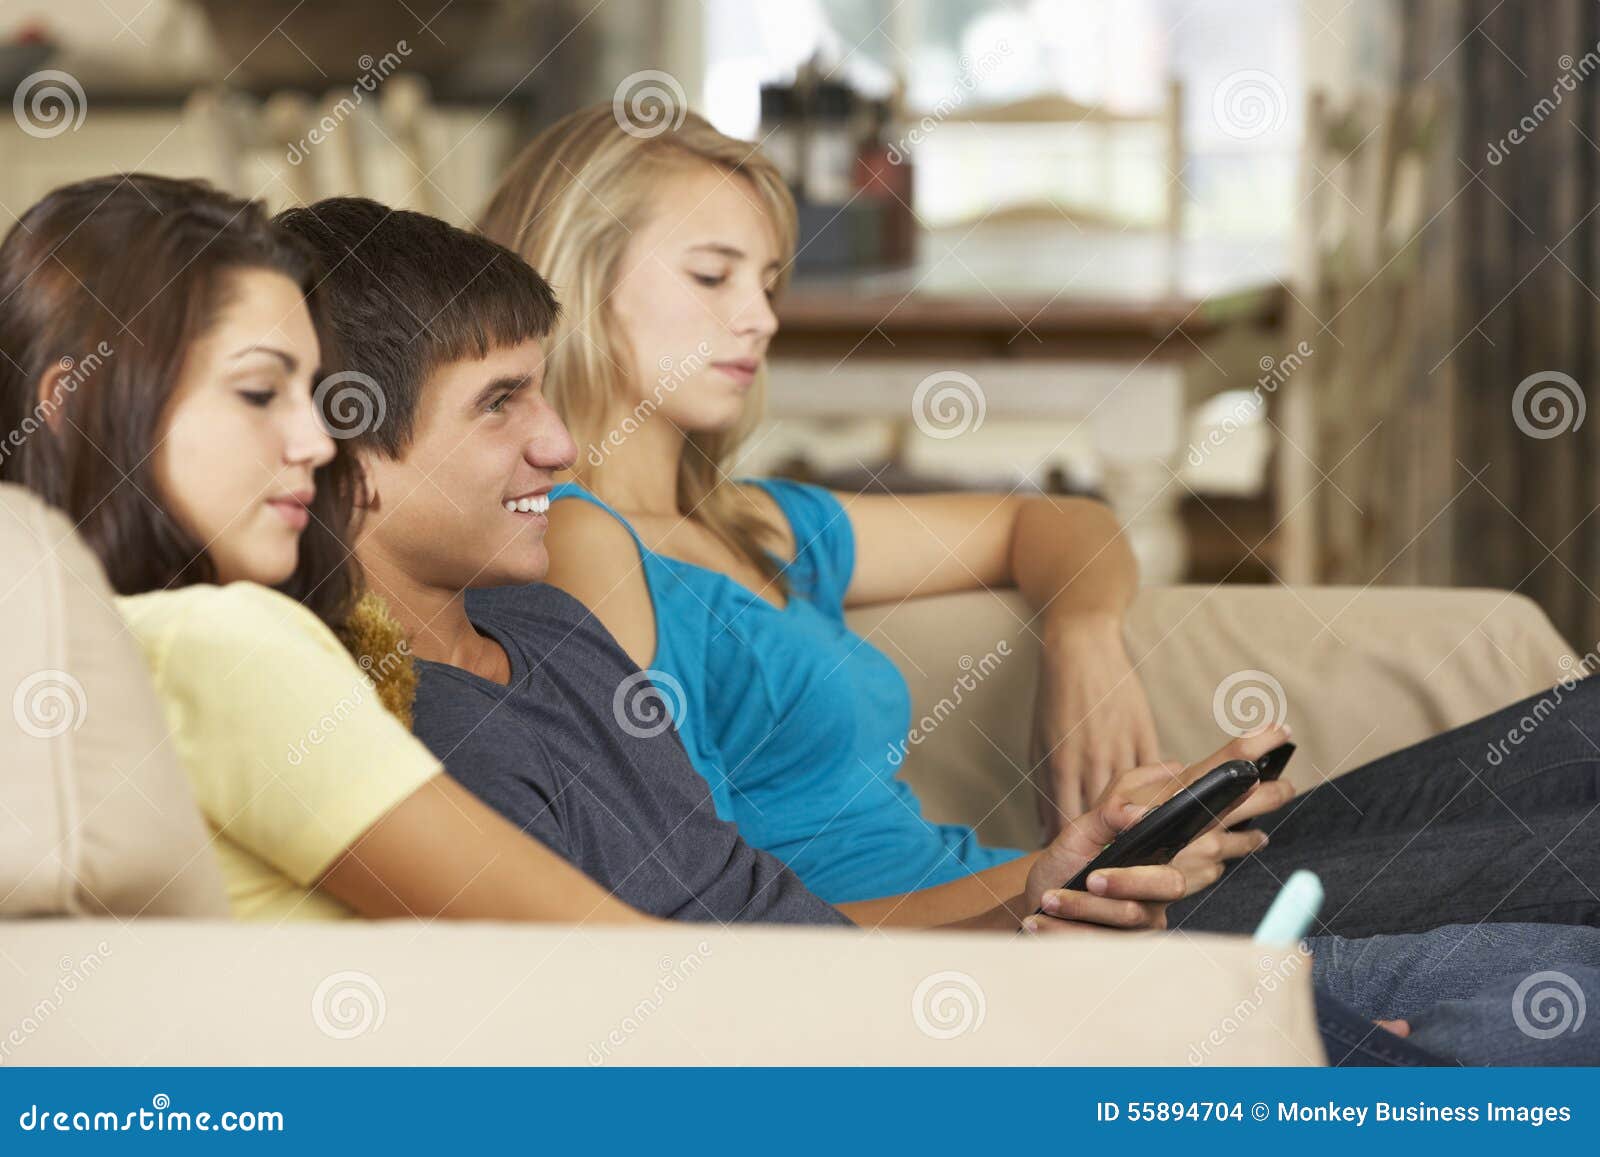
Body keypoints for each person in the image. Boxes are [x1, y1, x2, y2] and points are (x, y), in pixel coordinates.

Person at [276, 190, 1600, 1065]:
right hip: (941, 1047)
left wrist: (1041, 893)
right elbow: (680, 1008)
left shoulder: (552, 642)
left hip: (987, 981)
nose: (553, 440)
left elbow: (777, 926)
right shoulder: (401, 724)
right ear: (353, 456)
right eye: (502, 405)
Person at [477, 104, 1600, 936]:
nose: (761, 317)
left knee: (1573, 737)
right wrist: (1054, 877)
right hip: (1027, 936)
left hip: (1072, 889)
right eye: (713, 276)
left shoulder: (759, 524)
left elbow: (1055, 520)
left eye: (768, 278)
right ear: (572, 279)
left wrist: (1083, 637)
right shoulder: (577, 547)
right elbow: (710, 906)